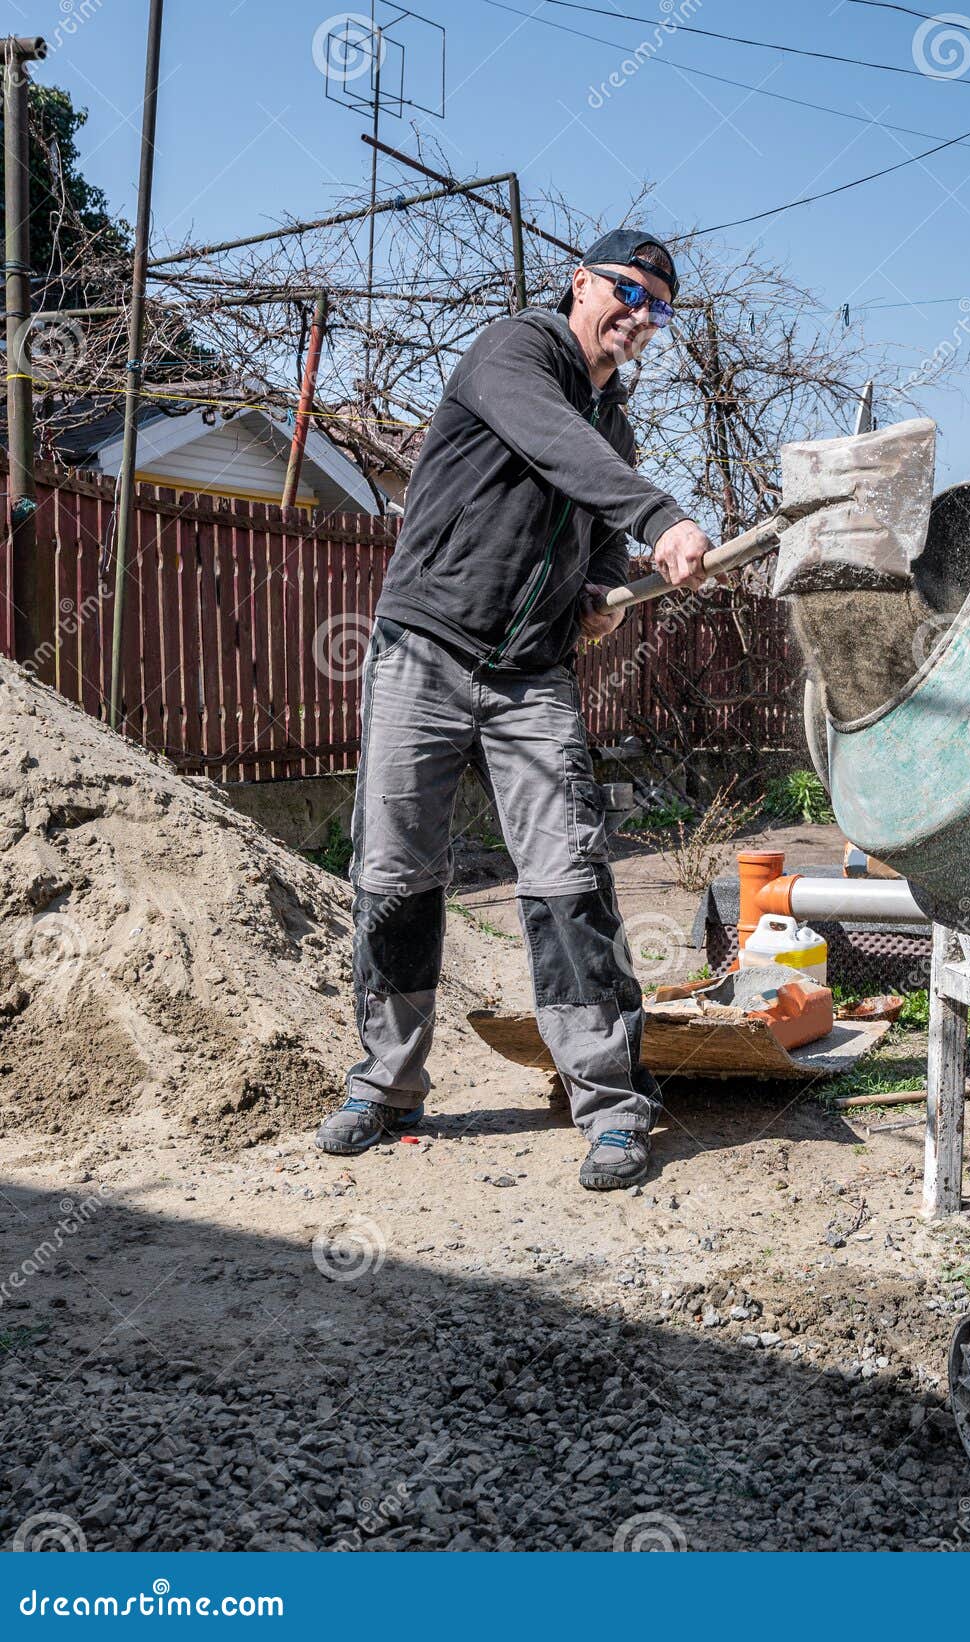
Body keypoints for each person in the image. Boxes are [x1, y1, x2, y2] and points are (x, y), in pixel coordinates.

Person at [314, 228, 711, 1190]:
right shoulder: (515, 350)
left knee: (568, 876)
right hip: (427, 646)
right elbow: (553, 446)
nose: (639, 315)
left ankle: (611, 1104)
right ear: (580, 282)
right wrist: (660, 517)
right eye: (627, 290)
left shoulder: (612, 426)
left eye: (657, 305)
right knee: (396, 871)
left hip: (531, 674)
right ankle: (388, 1082)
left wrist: (602, 586)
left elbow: (588, 518)